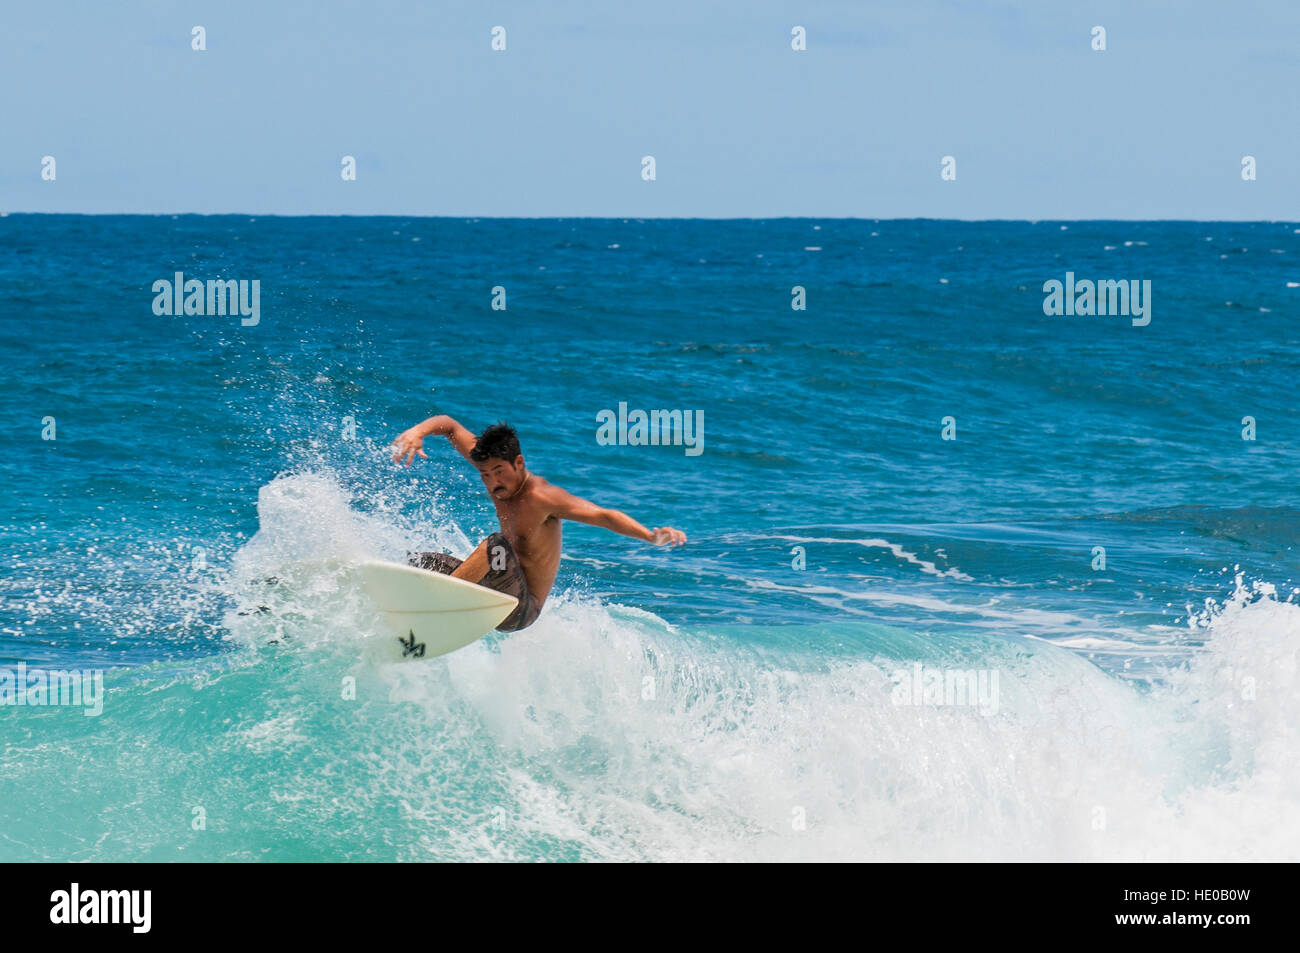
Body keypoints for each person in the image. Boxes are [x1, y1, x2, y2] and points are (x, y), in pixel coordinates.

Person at [391, 416, 686, 631]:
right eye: (485, 474)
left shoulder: (542, 497)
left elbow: (603, 516)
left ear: (518, 463)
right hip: (493, 592)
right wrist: (418, 432)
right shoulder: (493, 470)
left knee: (495, 545)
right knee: (421, 563)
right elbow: (450, 426)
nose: (493, 482)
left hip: (519, 609)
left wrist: (650, 536)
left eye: (499, 472)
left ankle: (438, 612)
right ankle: (398, 614)